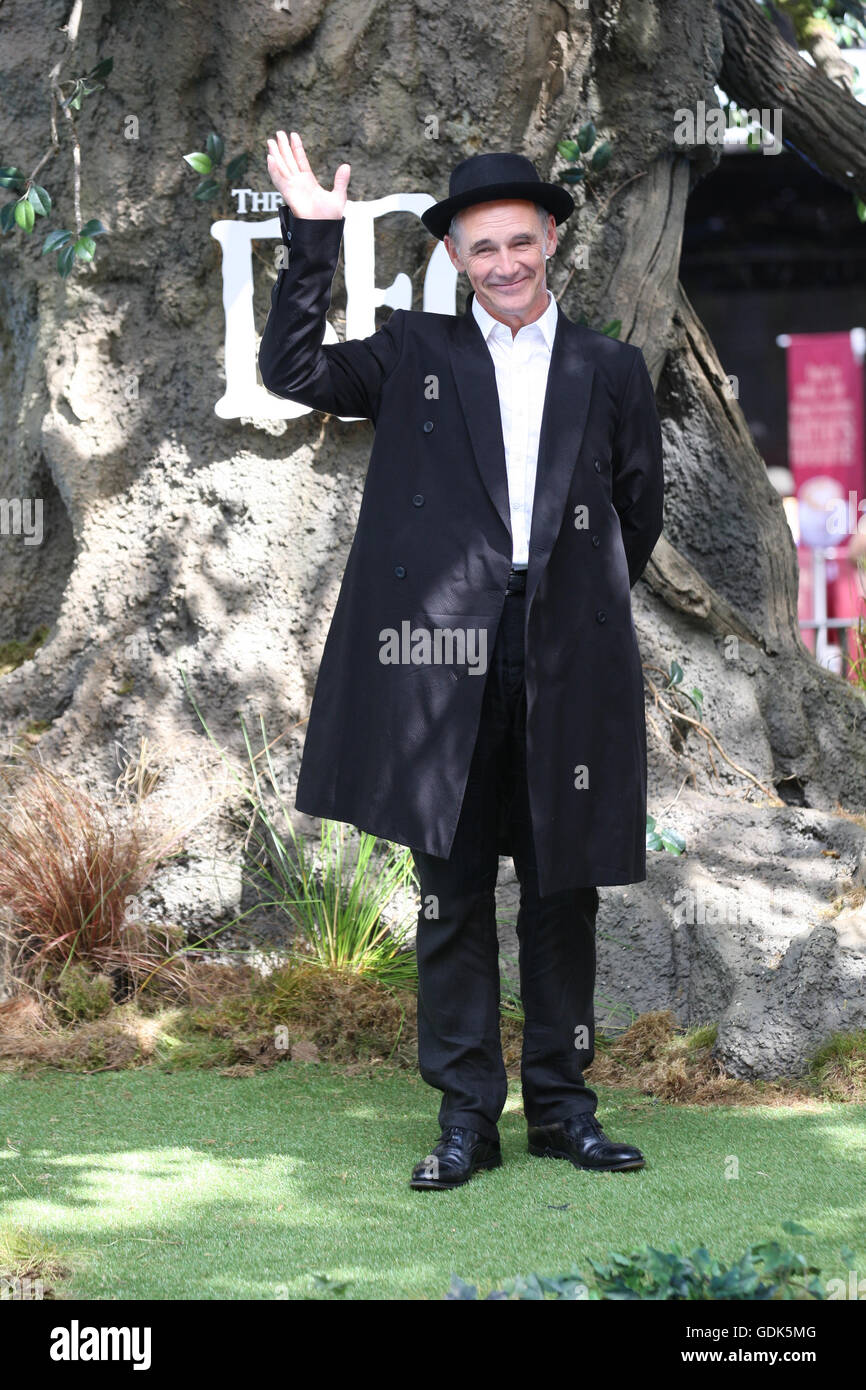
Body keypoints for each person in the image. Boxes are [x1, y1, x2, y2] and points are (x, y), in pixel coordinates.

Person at [259, 132, 665, 1190]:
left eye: (518, 243)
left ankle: (564, 1110)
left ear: (551, 240)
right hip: (441, 662)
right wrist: (311, 236)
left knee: (561, 889)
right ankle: (464, 1119)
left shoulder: (610, 370)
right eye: (480, 248)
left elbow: (636, 514)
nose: (502, 264)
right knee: (448, 895)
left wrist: (571, 606)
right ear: (454, 256)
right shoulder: (411, 355)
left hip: (564, 659)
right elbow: (291, 370)